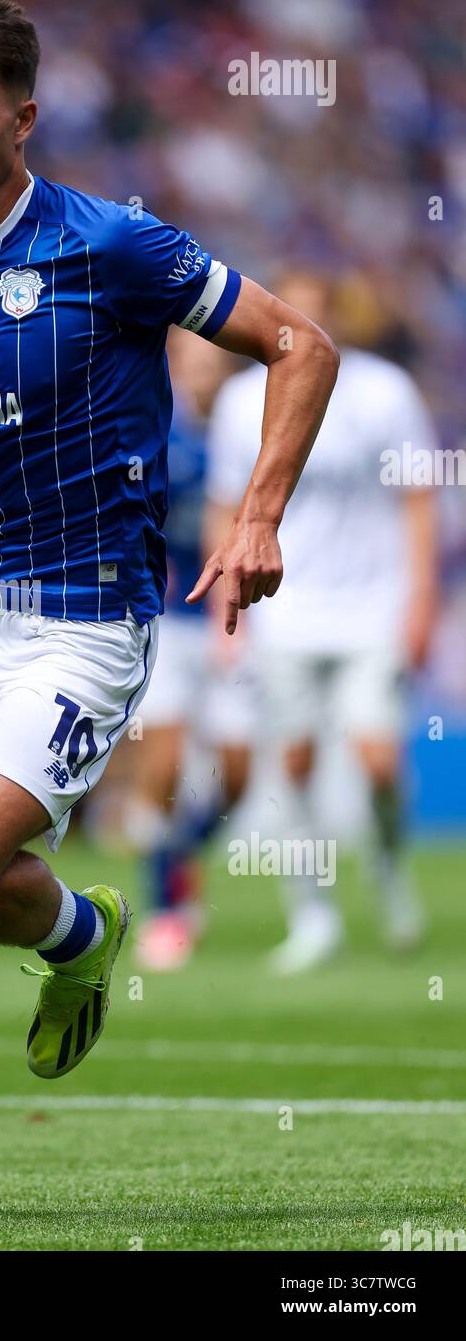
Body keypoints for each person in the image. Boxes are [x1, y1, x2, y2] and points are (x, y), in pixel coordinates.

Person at [0, 0, 338, 1217]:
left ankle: (80, 934)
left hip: (80, 618)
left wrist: (254, 517)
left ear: (22, 119)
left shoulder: (109, 246)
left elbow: (300, 346)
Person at [206, 270, 438, 974]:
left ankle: (390, 874)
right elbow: (225, 504)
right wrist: (231, 609)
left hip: (373, 604)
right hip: (287, 608)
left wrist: (421, 598)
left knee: (378, 761)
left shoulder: (381, 391)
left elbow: (418, 498)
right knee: (297, 761)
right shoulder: (241, 400)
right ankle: (310, 913)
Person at [121, 329, 256, 971]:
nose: (202, 373)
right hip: (169, 620)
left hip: (233, 624)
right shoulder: (152, 428)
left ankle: (183, 857)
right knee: (166, 768)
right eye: (191, 362)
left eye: (212, 362)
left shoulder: (246, 432)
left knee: (235, 776)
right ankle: (164, 906)